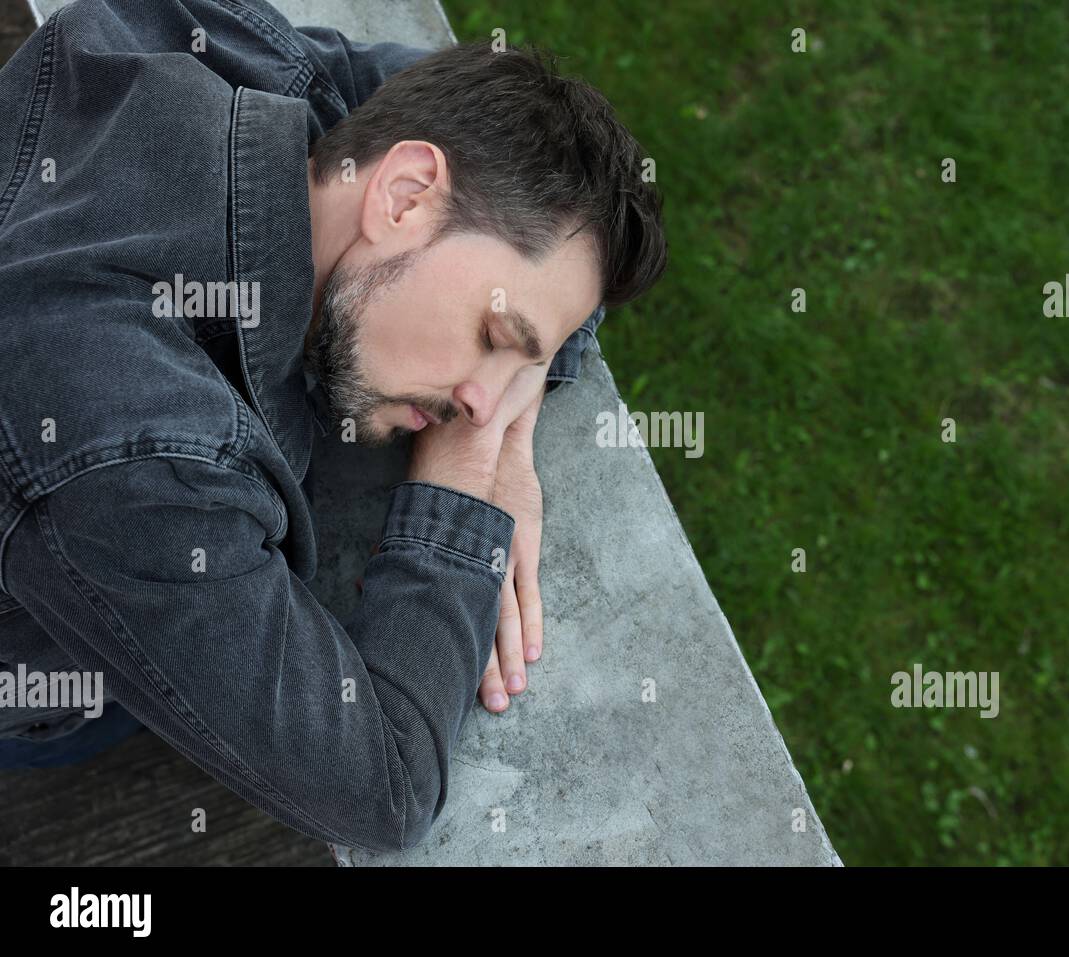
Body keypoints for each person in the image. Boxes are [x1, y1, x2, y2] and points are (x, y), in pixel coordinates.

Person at [0, 0, 666, 850]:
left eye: (519, 358)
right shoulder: (132, 450)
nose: (484, 404)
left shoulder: (236, 64)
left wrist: (516, 376)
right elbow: (379, 789)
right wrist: (466, 478)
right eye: (495, 338)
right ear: (405, 195)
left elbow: (559, 235)